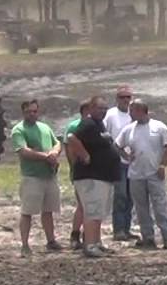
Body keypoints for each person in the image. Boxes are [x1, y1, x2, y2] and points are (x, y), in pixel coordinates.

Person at [117, 100, 167, 250]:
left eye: (132, 110)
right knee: (141, 208)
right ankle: (148, 237)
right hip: (136, 175)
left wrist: (163, 165)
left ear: (141, 111)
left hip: (155, 173)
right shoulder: (129, 129)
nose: (130, 113)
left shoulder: (159, 127)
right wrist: (126, 156)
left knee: (160, 206)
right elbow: (117, 145)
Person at [68, 95, 123, 258]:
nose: (103, 111)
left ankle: (97, 242)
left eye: (105, 108)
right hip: (91, 176)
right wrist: (84, 155)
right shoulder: (88, 123)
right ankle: (90, 245)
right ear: (91, 108)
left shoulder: (99, 125)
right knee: (92, 211)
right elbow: (72, 138)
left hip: (103, 177)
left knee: (99, 212)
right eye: (99, 108)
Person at [9, 99, 63, 257]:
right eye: (28, 111)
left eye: (34, 111)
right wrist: (46, 157)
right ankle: (25, 245)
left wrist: (54, 152)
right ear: (23, 112)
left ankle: (51, 241)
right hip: (32, 177)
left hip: (49, 175)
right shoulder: (18, 130)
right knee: (27, 212)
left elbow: (57, 143)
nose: (32, 114)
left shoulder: (45, 127)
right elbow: (23, 151)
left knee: (48, 210)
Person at [103, 85, 135, 241]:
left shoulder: (133, 114)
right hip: (117, 161)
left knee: (131, 197)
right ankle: (118, 229)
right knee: (120, 195)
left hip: (133, 162)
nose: (126, 100)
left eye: (128, 97)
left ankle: (127, 228)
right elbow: (105, 136)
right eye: (123, 97)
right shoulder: (110, 115)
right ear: (117, 99)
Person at [62, 101, 90, 250]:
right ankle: (75, 235)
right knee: (82, 204)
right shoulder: (74, 126)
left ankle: (88, 235)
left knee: (91, 205)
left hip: (95, 172)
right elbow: (69, 149)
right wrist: (74, 168)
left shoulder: (96, 125)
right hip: (80, 170)